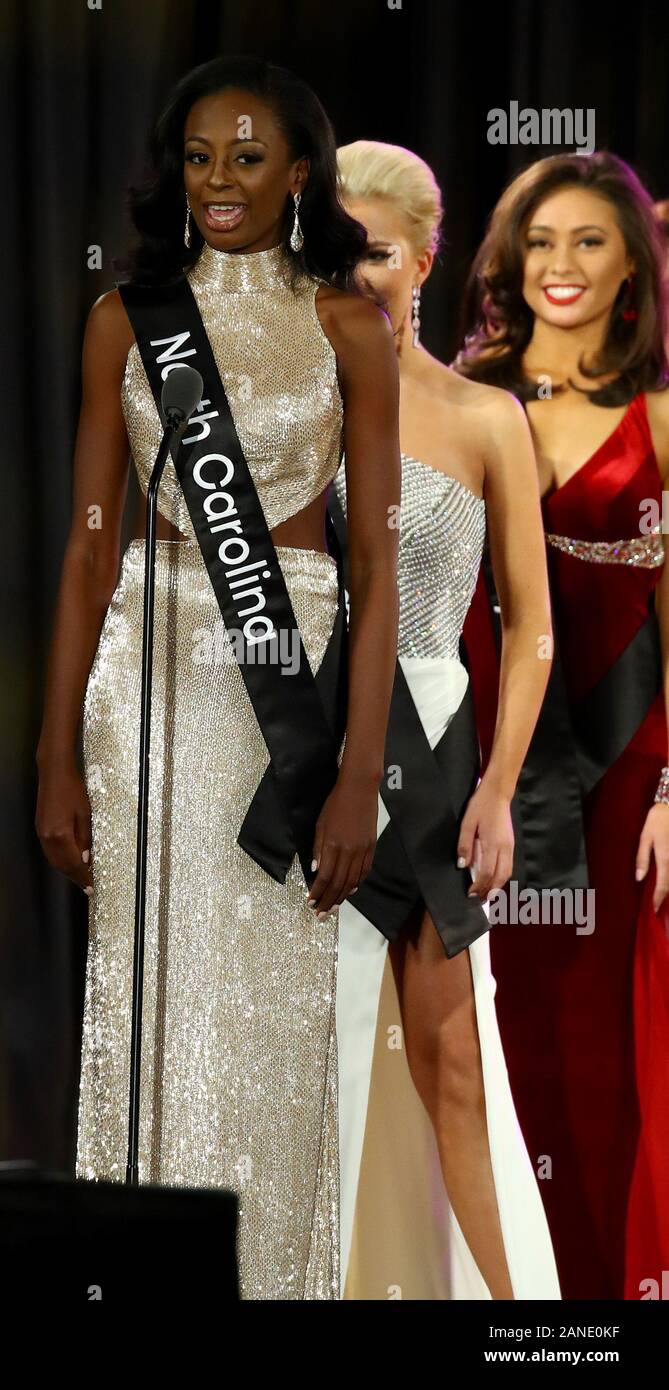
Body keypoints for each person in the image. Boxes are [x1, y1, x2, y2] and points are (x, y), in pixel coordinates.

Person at [34, 57, 400, 1301]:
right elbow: (89, 547)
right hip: (147, 683)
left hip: (281, 673)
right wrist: (55, 754)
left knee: (266, 1019)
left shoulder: (350, 324)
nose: (219, 183)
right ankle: (139, 1291)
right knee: (146, 1006)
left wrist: (358, 774)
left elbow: (377, 563)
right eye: (198, 158)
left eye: (248, 158)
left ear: (300, 172)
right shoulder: (124, 319)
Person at [332, 140, 561, 1299]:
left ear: (422, 259)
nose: (352, 272)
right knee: (319, 1065)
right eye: (331, 250)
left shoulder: (484, 418)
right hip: (310, 753)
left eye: (373, 252)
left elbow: (530, 630)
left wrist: (494, 790)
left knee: (452, 1063)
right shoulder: (285, 413)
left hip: (433, 749)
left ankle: (511, 1319)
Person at [455, 150, 669, 1300]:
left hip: (629, 778)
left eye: (588, 240)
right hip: (491, 770)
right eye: (540, 242)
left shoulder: (659, 414)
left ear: (631, 261)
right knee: (509, 1039)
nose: (560, 265)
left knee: (611, 1057)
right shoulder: (464, 396)